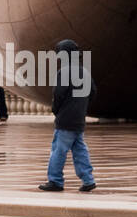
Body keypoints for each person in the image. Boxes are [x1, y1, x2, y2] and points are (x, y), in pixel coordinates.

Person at [38, 40, 96, 192]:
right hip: (79, 119)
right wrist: (81, 107)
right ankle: (88, 179)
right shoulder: (84, 72)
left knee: (58, 149)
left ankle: (55, 181)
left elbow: (58, 95)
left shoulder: (64, 72)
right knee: (79, 149)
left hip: (65, 119)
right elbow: (93, 92)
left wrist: (56, 110)